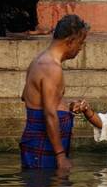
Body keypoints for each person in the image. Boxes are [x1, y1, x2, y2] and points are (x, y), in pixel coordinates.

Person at [19, 15, 90, 172]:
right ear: (70, 41)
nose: (80, 48)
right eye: (80, 43)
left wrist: (65, 106)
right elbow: (49, 114)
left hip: (38, 142)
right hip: (44, 145)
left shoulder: (39, 60)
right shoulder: (51, 67)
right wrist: (60, 155)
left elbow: (27, 97)